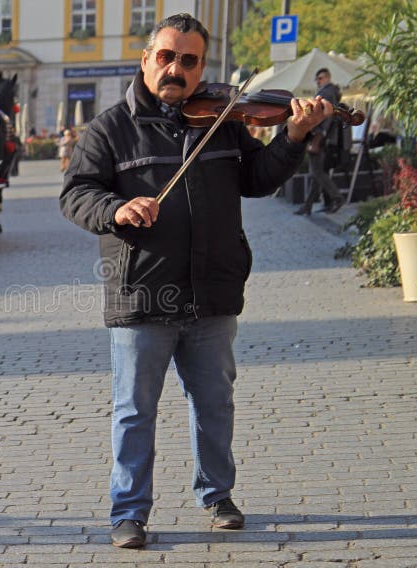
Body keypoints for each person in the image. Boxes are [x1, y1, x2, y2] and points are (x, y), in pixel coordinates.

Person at [59, 13, 331, 549]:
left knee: (214, 402)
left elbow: (257, 178)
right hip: (142, 293)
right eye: (166, 56)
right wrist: (116, 208)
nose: (176, 69)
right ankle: (129, 512)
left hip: (212, 291)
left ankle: (217, 496)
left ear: (202, 65)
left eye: (188, 60)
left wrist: (294, 134)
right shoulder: (109, 128)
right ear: (146, 59)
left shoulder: (224, 120)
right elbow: (75, 194)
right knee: (135, 410)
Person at [294, 68, 345, 215]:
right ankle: (308, 205)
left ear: (328, 78)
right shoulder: (332, 92)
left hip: (320, 138)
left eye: (321, 78)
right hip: (325, 138)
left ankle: (337, 197)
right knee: (316, 172)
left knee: (316, 171)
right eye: (317, 78)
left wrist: (319, 134)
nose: (318, 80)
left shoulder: (326, 93)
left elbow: (326, 116)